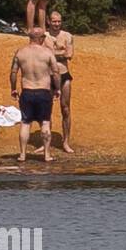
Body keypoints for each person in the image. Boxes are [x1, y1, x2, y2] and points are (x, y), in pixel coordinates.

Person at [10, 28, 62, 162]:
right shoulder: (47, 53)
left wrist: (13, 89)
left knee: (25, 123)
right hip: (43, 92)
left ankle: (22, 155)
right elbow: (56, 72)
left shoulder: (20, 52)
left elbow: (14, 72)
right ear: (41, 38)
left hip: (27, 91)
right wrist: (57, 89)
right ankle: (47, 155)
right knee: (45, 122)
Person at [44, 11, 75, 153]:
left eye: (59, 21)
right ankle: (46, 143)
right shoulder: (43, 36)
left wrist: (54, 54)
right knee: (47, 110)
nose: (56, 24)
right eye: (54, 21)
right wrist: (61, 53)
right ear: (48, 21)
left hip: (64, 75)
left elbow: (69, 55)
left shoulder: (67, 36)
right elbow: (44, 56)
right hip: (48, 76)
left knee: (65, 108)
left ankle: (66, 142)